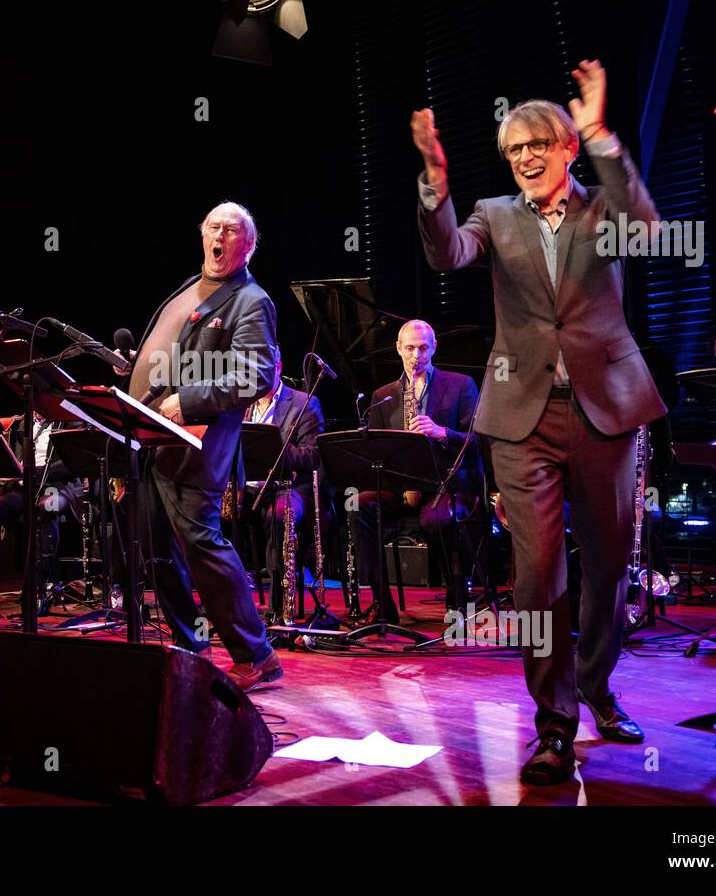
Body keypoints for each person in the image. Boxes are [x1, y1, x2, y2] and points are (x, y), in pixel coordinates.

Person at [412, 59, 667, 784]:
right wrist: (434, 183)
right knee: (538, 576)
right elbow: (447, 251)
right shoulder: (493, 215)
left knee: (611, 562)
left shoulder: (602, 212)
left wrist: (602, 137)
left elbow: (649, 230)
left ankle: (595, 682)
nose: (523, 158)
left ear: (563, 149)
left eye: (535, 146)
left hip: (608, 411)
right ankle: (552, 724)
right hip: (522, 418)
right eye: (512, 150)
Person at [127, 201, 281, 691]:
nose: (220, 236)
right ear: (202, 235)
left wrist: (188, 399)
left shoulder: (251, 300)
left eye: (231, 230)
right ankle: (190, 645)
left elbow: (255, 374)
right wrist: (139, 369)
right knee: (154, 548)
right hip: (152, 435)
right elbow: (177, 354)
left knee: (201, 544)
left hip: (197, 440)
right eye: (213, 227)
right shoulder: (189, 289)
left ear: (248, 245)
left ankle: (255, 654)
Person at [352, 319, 479, 618]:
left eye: (423, 348)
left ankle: (457, 597)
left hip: (445, 483)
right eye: (409, 348)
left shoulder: (461, 385)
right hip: (401, 485)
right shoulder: (382, 396)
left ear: (434, 347)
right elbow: (374, 453)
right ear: (398, 349)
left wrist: (441, 432)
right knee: (357, 506)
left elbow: (478, 441)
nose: (416, 356)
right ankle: (383, 603)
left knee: (436, 519)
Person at [240, 347, 324, 622]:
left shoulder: (303, 403)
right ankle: (223, 603)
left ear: (277, 366)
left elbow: (313, 455)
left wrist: (273, 450)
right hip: (248, 487)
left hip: (288, 486)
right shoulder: (242, 403)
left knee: (279, 516)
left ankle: (278, 607)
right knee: (200, 509)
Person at [0, 412, 83, 605]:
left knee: (45, 509)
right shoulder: (23, 424)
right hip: (25, 487)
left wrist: (29, 471)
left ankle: (39, 586)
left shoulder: (69, 420)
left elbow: (70, 465)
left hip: (57, 486)